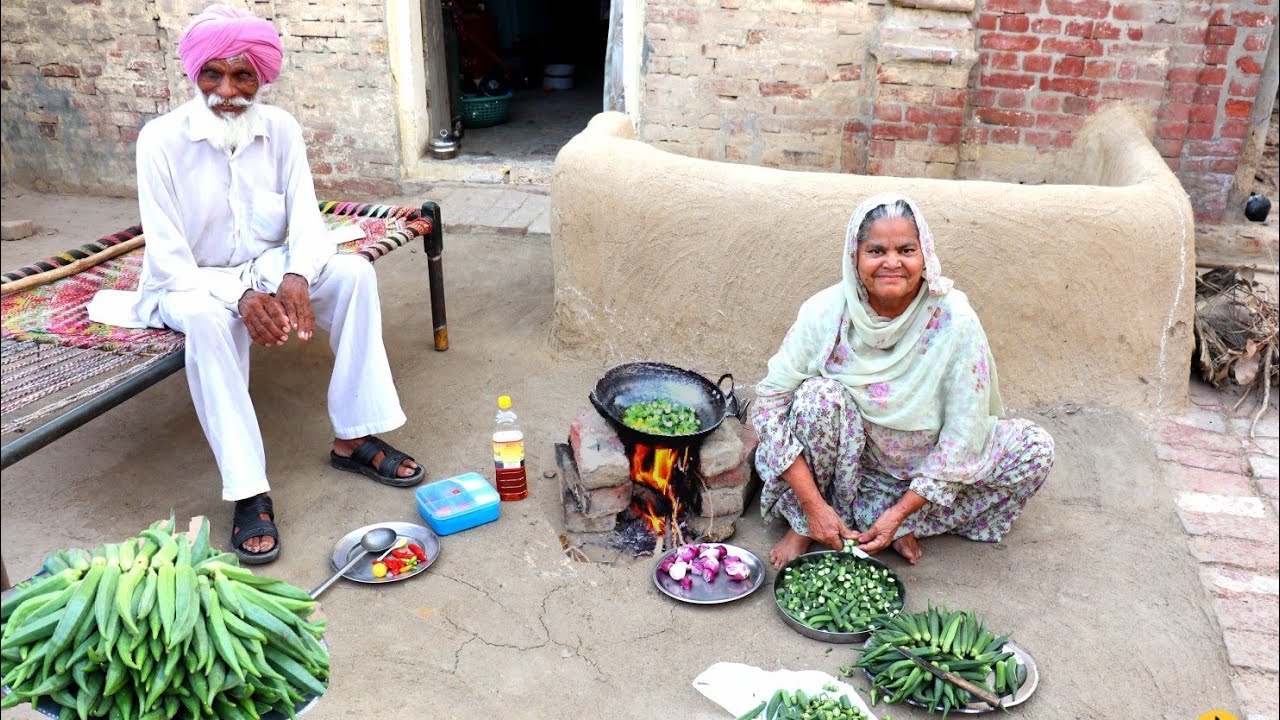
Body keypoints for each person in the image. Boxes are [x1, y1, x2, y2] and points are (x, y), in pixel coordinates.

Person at [87, 5, 423, 564]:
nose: (227, 91)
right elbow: (168, 258)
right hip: (190, 283)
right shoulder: (159, 141)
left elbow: (308, 222)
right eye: (213, 74)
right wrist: (240, 298)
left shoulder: (281, 129)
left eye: (243, 76)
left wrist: (295, 275)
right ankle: (248, 489)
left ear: (261, 77)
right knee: (206, 321)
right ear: (194, 74)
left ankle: (354, 436)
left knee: (353, 274)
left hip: (265, 265)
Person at [752, 193, 1054, 570]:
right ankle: (809, 520)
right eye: (876, 251)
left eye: (906, 250)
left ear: (924, 255)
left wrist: (902, 511)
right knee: (817, 399)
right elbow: (768, 406)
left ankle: (900, 519)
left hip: (922, 467)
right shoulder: (825, 312)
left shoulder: (955, 319)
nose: (892, 263)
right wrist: (812, 504)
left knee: (1036, 450)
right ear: (855, 256)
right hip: (851, 467)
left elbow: (965, 431)